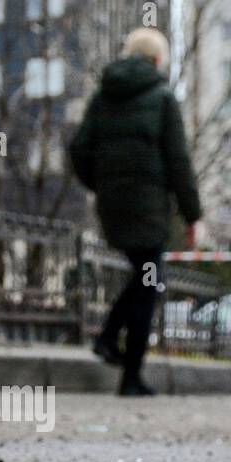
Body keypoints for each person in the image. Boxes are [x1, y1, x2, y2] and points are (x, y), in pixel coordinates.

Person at [70, 28, 202, 396]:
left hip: (113, 204)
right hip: (148, 206)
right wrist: (192, 214)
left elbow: (78, 149)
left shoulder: (103, 96)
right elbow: (178, 161)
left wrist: (103, 184)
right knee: (148, 282)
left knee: (143, 275)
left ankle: (109, 339)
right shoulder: (162, 99)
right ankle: (130, 374)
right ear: (158, 60)